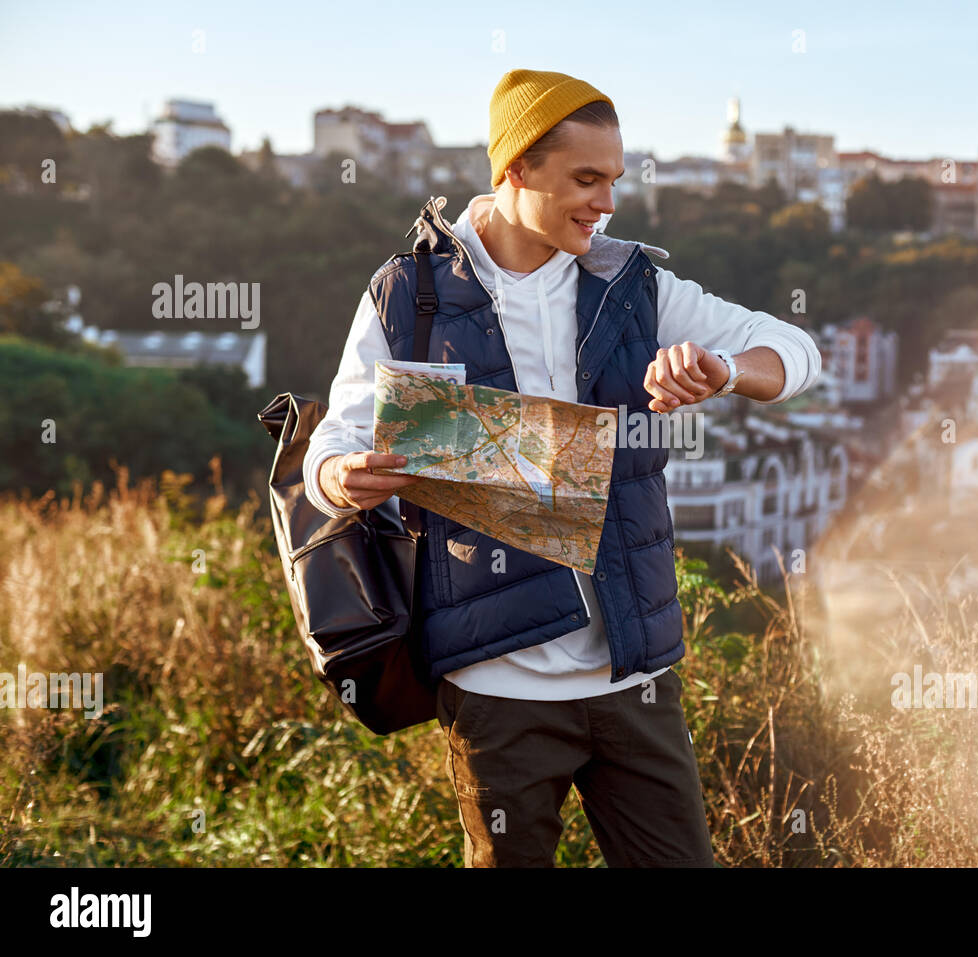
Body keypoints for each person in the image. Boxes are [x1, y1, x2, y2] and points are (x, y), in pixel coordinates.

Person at [303, 69, 821, 867]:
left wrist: (721, 367)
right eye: (586, 179)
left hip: (635, 681)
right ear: (515, 170)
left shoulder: (634, 285)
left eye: (612, 180)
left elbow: (796, 350)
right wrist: (343, 476)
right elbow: (331, 443)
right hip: (496, 691)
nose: (606, 202)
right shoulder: (408, 293)